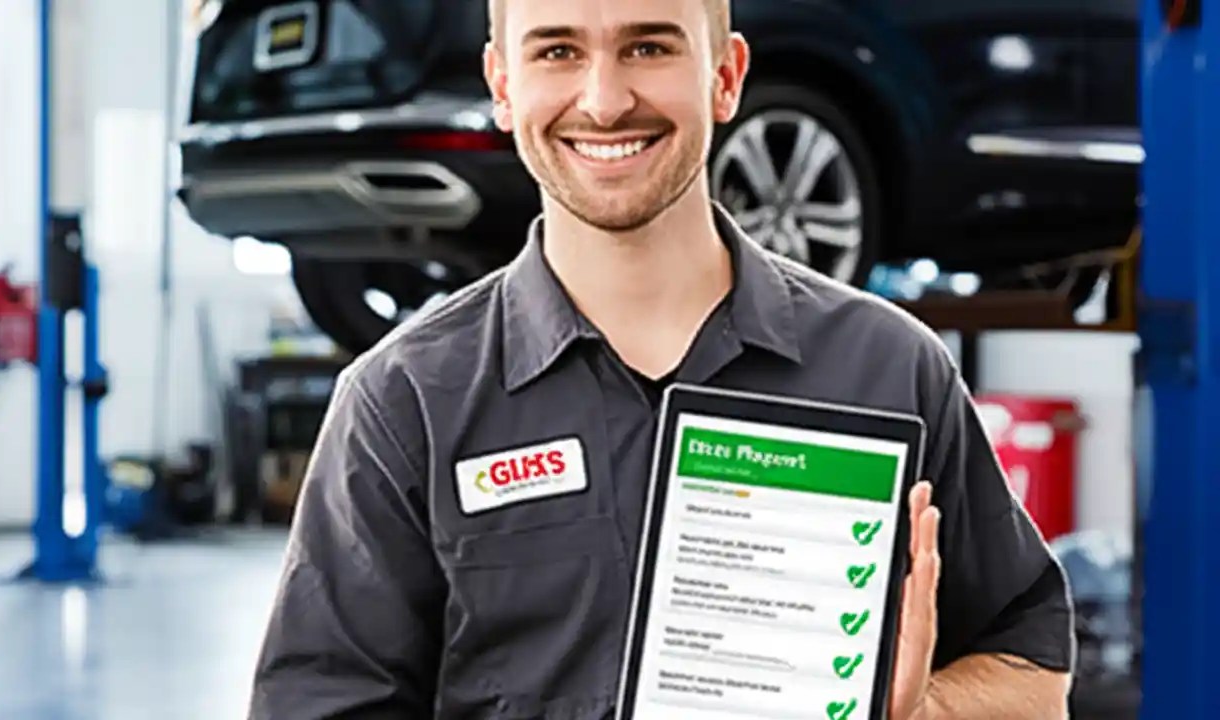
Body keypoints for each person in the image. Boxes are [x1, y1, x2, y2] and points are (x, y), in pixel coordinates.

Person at [247, 0, 1076, 717]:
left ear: (726, 74)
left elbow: (1035, 674)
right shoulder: (405, 406)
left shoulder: (891, 371)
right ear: (503, 84)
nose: (605, 102)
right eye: (558, 50)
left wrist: (921, 709)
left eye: (649, 46)